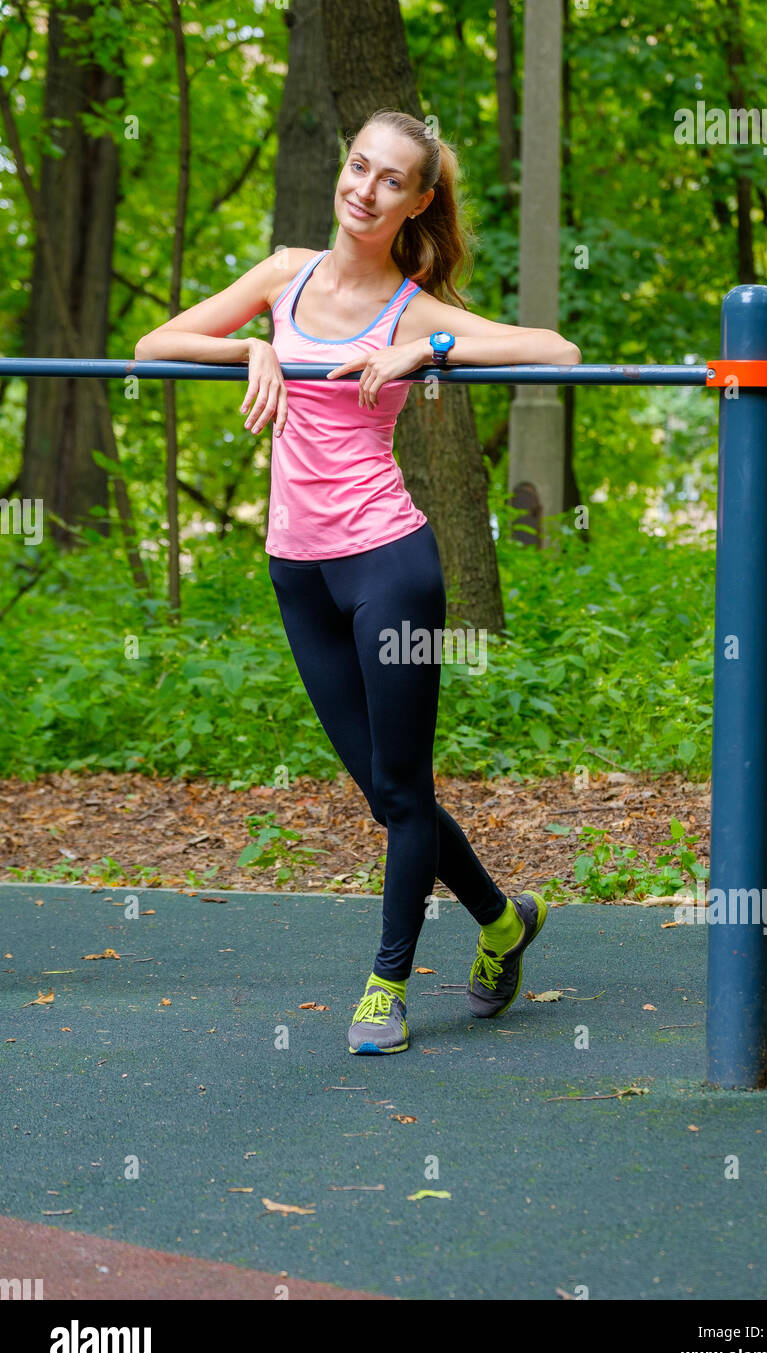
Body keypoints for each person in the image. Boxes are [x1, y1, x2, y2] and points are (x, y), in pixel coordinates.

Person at [134, 108, 581, 1056]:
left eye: (390, 180)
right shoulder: (281, 274)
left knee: (403, 784)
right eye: (357, 167)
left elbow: (557, 349)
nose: (363, 189)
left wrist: (431, 349)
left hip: (390, 563)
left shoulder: (410, 305)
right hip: (296, 568)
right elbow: (154, 346)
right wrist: (252, 347)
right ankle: (503, 922)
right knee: (386, 795)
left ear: (416, 201)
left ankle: (386, 987)